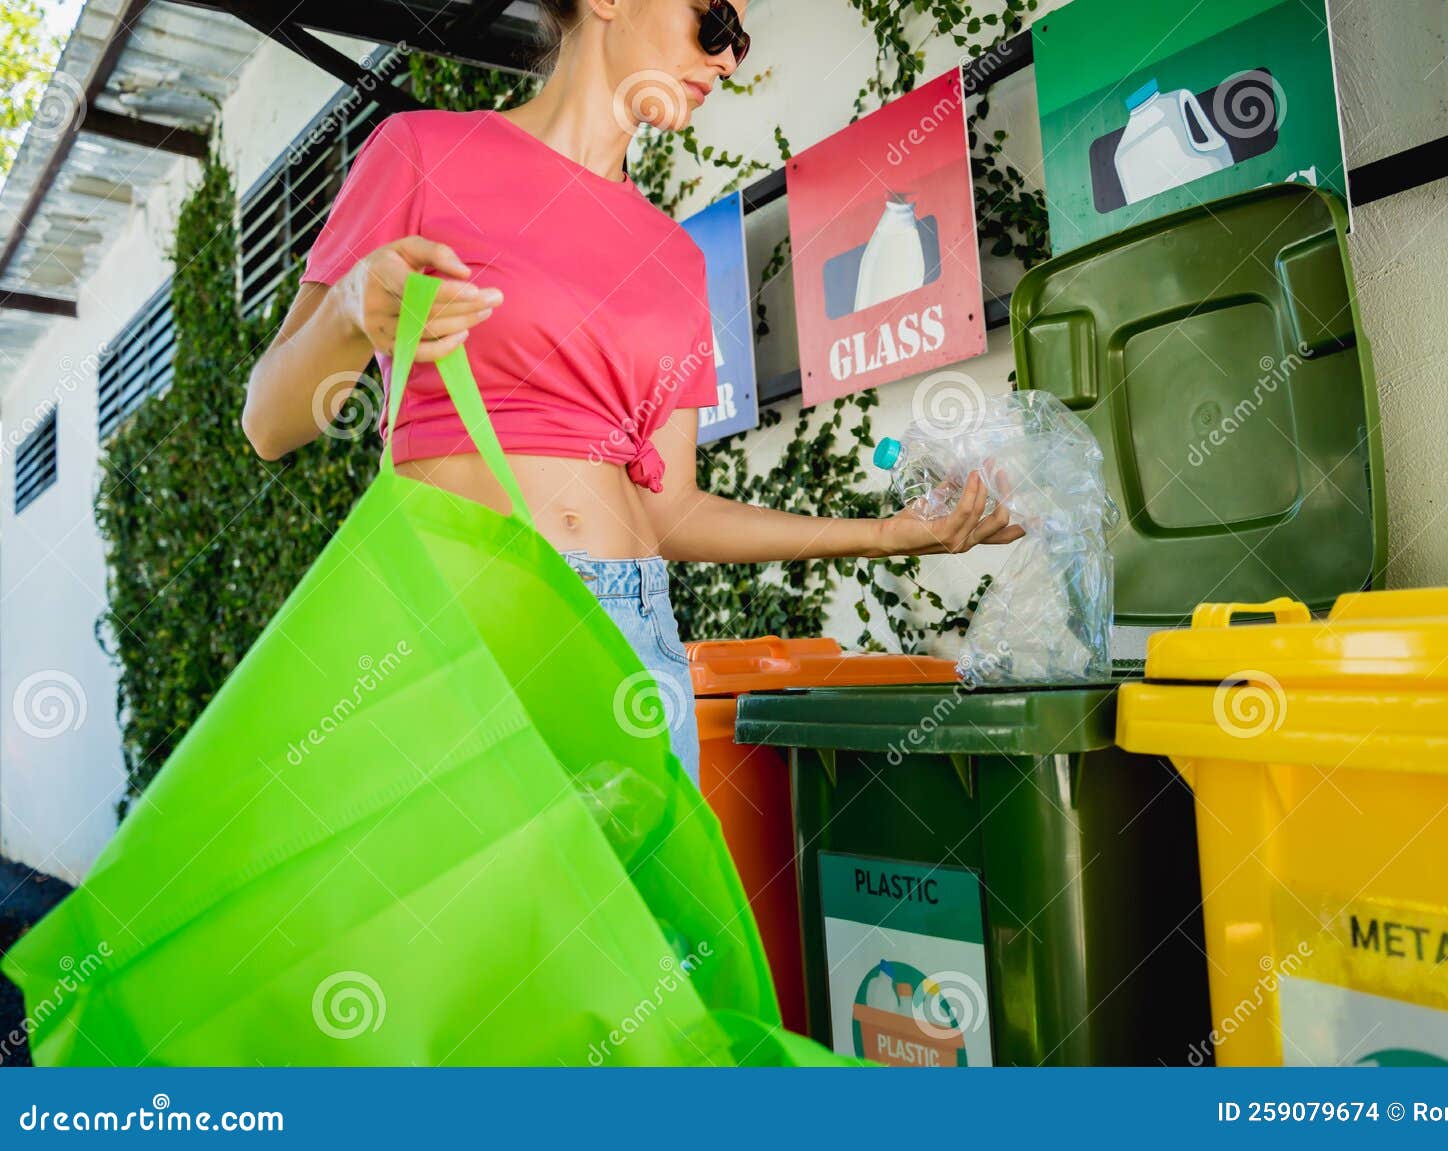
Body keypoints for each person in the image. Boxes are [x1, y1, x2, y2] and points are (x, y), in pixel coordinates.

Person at [242, 0, 1021, 785]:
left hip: (629, 630)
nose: (728, 59)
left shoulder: (677, 260)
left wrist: (885, 535)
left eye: (741, 40)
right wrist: (349, 309)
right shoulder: (420, 153)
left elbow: (672, 506)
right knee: (469, 906)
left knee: (640, 906)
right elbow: (268, 422)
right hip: (459, 613)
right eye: (713, 18)